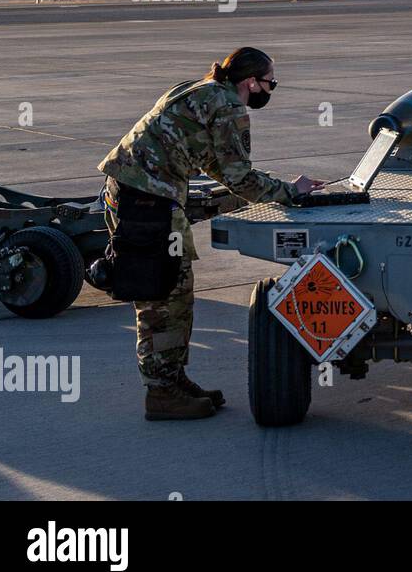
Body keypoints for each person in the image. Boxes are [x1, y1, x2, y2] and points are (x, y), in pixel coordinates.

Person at [97, 47, 323, 419]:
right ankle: (161, 393)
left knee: (174, 290)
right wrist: (289, 192)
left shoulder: (199, 90)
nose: (270, 89)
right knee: (162, 295)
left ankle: (172, 379)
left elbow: (212, 162)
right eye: (271, 83)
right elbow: (240, 178)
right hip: (147, 200)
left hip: (134, 191)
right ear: (251, 82)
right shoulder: (229, 106)